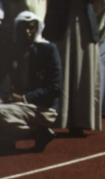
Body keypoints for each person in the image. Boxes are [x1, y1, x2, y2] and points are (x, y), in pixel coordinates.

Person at [36, 0, 103, 136]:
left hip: (83, 22)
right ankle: (56, 119)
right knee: (60, 71)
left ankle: (79, 121)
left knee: (83, 72)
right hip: (60, 22)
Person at [0, 11, 61, 153]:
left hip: (42, 107)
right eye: (23, 28)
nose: (28, 32)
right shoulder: (11, 50)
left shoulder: (48, 50)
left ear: (37, 29)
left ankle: (38, 133)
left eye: (31, 28)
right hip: (16, 105)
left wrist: (24, 98)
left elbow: (55, 87)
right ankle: (7, 139)